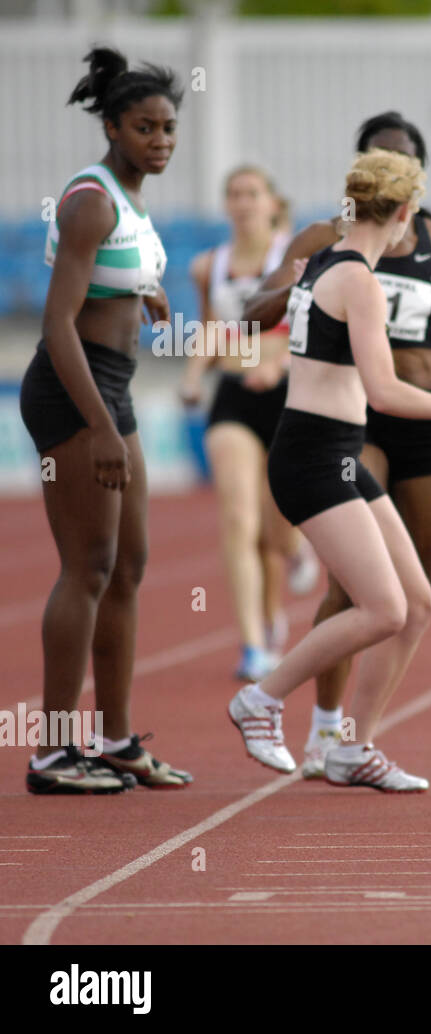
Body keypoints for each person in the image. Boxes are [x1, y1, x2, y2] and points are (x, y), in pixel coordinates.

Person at [243, 112, 431, 778]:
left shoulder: (343, 264)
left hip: (335, 443)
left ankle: (350, 749)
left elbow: (428, 359)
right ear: (400, 207)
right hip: (323, 450)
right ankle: (265, 700)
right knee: (381, 604)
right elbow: (384, 390)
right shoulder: (350, 272)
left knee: (422, 602)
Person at [20, 47, 192, 793]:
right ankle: (55, 751)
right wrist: (96, 426)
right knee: (86, 567)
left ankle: (116, 739)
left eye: (168, 128)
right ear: (114, 127)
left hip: (112, 387)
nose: (161, 141)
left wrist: (146, 292)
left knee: (130, 566)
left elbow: (112, 277)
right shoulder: (90, 198)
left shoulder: (130, 197)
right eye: (146, 127)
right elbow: (59, 322)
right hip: (73, 392)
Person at [179, 165, 309, 682]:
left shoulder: (293, 259)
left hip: (287, 395)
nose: (242, 202)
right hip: (232, 399)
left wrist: (280, 363)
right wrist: (192, 375)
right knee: (238, 518)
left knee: (277, 530)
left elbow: (312, 324)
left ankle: (297, 550)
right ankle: (254, 644)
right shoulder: (209, 265)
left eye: (251, 193)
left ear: (271, 203)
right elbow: (212, 328)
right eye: (233, 194)